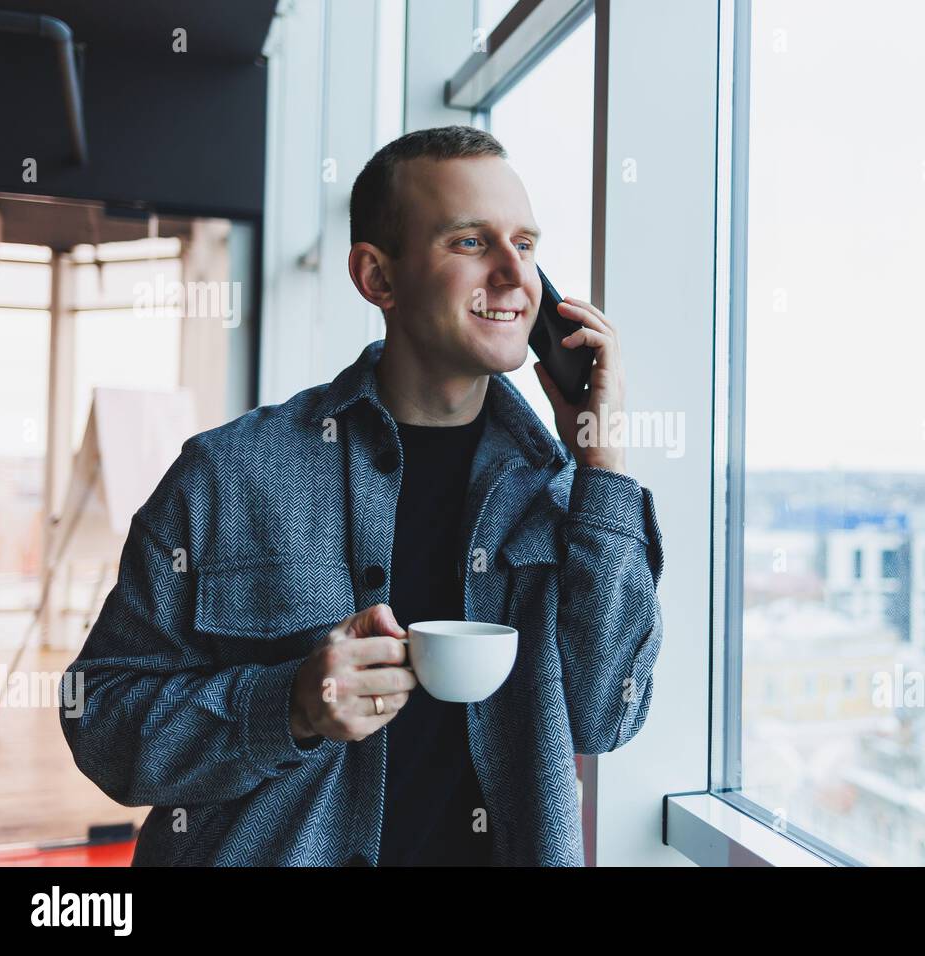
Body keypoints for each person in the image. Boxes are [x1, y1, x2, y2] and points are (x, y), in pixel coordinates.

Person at [59, 125, 665, 866]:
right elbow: (99, 720)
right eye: (471, 243)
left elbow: (606, 718)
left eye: (527, 244)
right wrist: (287, 707)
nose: (516, 276)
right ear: (378, 278)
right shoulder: (228, 475)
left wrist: (601, 462)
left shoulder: (571, 499)